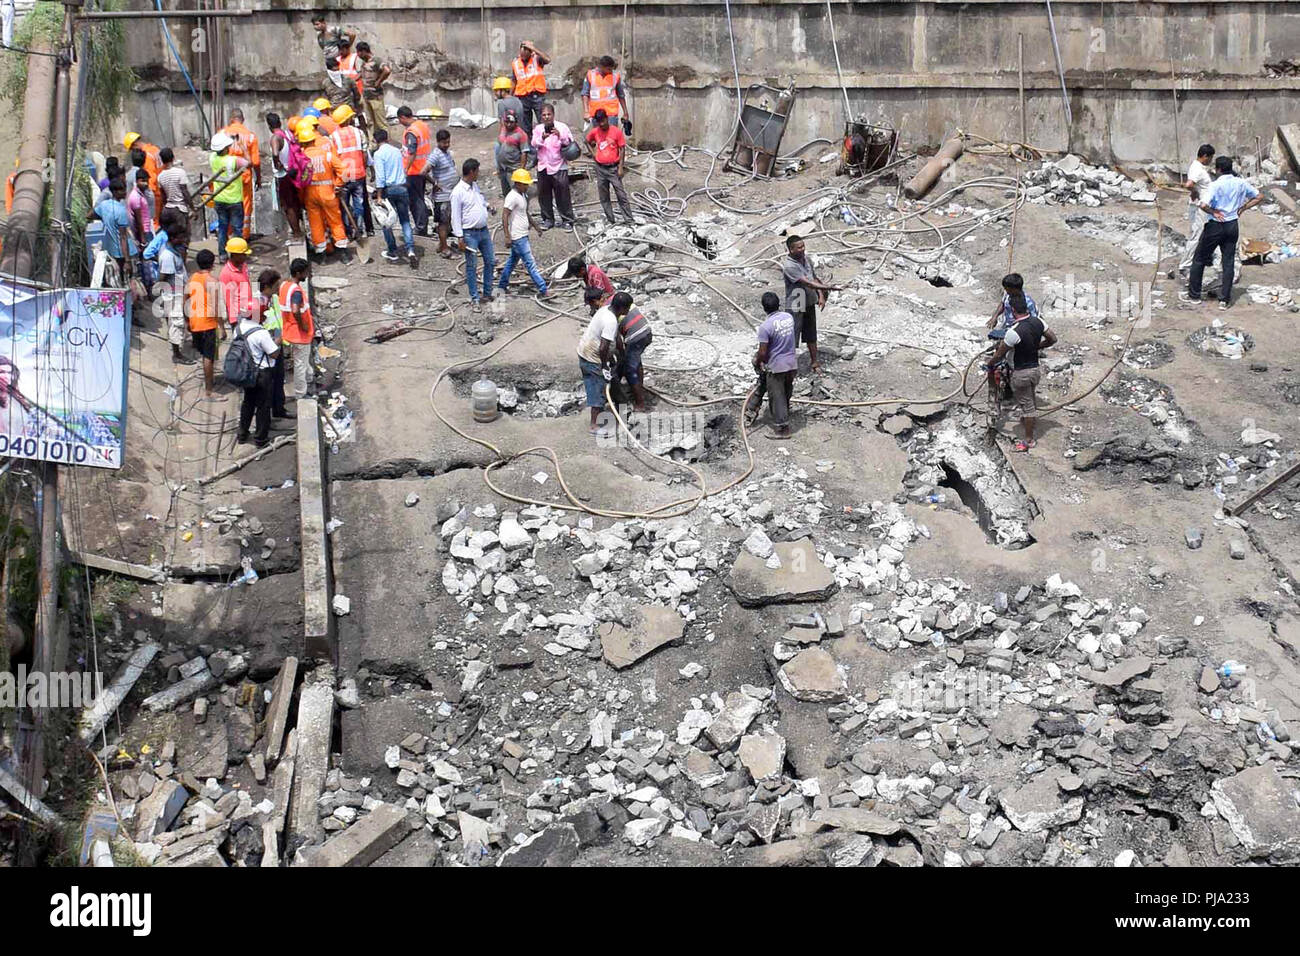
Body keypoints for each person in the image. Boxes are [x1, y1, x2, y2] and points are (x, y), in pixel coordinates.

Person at [1185, 155, 1262, 310]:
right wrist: (1243, 208)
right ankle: (1224, 300)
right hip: (1232, 224)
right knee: (1228, 262)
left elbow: (1203, 205)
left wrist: (1214, 212)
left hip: (1216, 225)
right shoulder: (1240, 183)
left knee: (1199, 258)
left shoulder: (1215, 185)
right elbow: (1259, 196)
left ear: (1218, 169)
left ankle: (1194, 295)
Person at [988, 299, 1057, 452]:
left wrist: (990, 363)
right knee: (1029, 398)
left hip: (1021, 374)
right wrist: (1036, 346)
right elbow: (1053, 339)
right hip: (1035, 371)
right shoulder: (1039, 322)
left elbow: (1000, 355)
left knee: (1028, 407)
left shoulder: (1014, 332)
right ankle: (1028, 421)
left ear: (1013, 311)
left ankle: (1028, 441)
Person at [781, 234, 838, 373]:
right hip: (797, 301)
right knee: (793, 336)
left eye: (803, 246)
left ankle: (815, 363)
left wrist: (821, 295)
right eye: (799, 247)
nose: (802, 249)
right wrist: (829, 288)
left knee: (811, 333)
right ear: (791, 250)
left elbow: (814, 278)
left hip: (808, 300)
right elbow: (807, 282)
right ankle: (788, 368)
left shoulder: (807, 260)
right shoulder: (789, 266)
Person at [298, 123, 351, 261]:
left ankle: (321, 255)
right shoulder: (327, 155)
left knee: (316, 224)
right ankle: (343, 252)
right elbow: (345, 172)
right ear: (314, 140)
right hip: (329, 193)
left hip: (310, 195)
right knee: (335, 221)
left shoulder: (302, 158)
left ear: (302, 143)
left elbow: (300, 181)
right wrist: (339, 185)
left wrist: (302, 198)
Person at [751, 292, 798, 439]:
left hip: (777, 366)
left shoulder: (765, 327)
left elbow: (763, 352)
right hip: (791, 363)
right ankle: (785, 414)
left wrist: (758, 361)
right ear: (779, 304)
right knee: (786, 390)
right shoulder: (788, 318)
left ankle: (782, 429)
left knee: (776, 396)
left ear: (764, 308)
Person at [497, 169, 550, 298]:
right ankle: (543, 289)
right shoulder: (512, 197)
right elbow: (505, 215)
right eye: (525, 184)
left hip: (522, 234)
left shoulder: (522, 195)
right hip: (517, 237)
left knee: (511, 262)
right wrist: (507, 236)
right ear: (518, 183)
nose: (527, 186)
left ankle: (501, 286)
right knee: (530, 263)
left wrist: (535, 226)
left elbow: (524, 212)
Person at [451, 158, 495, 313]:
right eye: (477, 171)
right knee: (472, 266)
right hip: (469, 234)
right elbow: (455, 216)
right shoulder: (458, 192)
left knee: (490, 261)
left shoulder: (474, 186)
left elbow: (480, 200)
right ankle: (474, 298)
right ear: (471, 172)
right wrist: (459, 237)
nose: (479, 173)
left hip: (483, 231)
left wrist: (488, 207)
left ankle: (487, 293)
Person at [234, 302, 280, 448]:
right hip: (262, 373)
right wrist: (278, 341)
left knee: (248, 402)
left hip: (246, 372)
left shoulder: (238, 329)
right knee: (263, 406)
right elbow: (274, 354)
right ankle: (260, 438)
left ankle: (242, 434)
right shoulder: (261, 333)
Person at [577, 288, 621, 434]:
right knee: (597, 390)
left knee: (600, 385)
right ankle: (594, 426)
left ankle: (617, 404)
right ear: (622, 308)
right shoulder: (611, 321)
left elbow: (615, 339)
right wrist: (603, 366)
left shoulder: (606, 309)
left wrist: (616, 357)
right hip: (592, 357)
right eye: (627, 309)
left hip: (586, 351)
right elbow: (603, 347)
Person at [372, 128, 417, 268]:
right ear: (387, 138)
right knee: (405, 221)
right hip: (402, 187)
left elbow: (380, 177)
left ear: (375, 140)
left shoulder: (378, 154)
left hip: (389, 190)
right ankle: (410, 250)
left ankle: (392, 250)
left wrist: (379, 196)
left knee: (386, 221)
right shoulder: (396, 151)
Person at [1172, 144, 1216, 279]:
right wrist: (1195, 192)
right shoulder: (1197, 168)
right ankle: (1185, 265)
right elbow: (1189, 184)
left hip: (1203, 206)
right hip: (1199, 207)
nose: (1211, 160)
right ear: (1205, 156)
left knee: (1204, 233)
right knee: (1196, 236)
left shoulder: (1199, 167)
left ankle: (1204, 258)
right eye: (1211, 158)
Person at [585, 110, 635, 225]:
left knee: (621, 195)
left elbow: (622, 149)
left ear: (607, 119)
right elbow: (587, 141)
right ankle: (611, 220)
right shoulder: (595, 132)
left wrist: (621, 167)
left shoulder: (616, 132)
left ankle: (629, 220)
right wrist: (593, 154)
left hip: (613, 168)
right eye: (599, 122)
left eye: (603, 121)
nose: (602, 124)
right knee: (604, 196)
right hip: (600, 168)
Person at [531, 103, 576, 229]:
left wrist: (559, 136)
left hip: (559, 166)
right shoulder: (538, 129)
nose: (546, 117)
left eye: (548, 114)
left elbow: (570, 143)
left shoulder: (562, 127)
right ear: (541, 116)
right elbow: (534, 143)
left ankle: (567, 220)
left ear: (553, 115)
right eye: (544, 115)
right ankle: (548, 219)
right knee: (544, 195)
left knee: (562, 195)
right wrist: (542, 138)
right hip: (543, 166)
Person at [155, 214, 193, 365]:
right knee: (176, 324)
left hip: (178, 292)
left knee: (179, 321)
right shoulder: (167, 256)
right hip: (173, 294)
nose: (184, 240)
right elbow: (163, 278)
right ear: (173, 238)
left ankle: (178, 344)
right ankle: (177, 354)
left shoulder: (175, 250)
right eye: (181, 238)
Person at [186, 249, 222, 399]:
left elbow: (185, 298)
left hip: (195, 322)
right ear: (212, 263)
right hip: (207, 324)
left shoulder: (192, 278)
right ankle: (209, 391)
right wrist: (221, 325)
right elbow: (215, 306)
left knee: (204, 355)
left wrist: (187, 320)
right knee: (209, 357)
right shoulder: (212, 281)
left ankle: (209, 382)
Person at [330, 105, 370, 239]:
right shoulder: (359, 133)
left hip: (344, 176)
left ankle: (348, 231)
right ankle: (359, 229)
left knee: (344, 205)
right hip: (358, 174)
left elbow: (333, 159)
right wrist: (363, 167)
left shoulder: (333, 137)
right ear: (348, 119)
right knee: (359, 204)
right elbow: (364, 154)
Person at [279, 258, 316, 399]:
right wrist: (303, 325)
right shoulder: (296, 292)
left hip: (289, 331)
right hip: (299, 335)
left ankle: (310, 378)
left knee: (302, 361)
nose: (307, 275)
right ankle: (301, 393)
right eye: (305, 272)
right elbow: (295, 310)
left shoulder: (284, 286)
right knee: (300, 364)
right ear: (299, 273)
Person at [208, 132, 249, 259]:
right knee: (237, 229)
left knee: (223, 227)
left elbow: (216, 150)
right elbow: (249, 162)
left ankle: (222, 254)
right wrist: (242, 147)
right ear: (226, 148)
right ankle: (237, 254)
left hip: (219, 198)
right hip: (234, 200)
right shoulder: (233, 161)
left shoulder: (212, 158)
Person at [221, 109, 261, 239]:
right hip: (244, 177)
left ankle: (229, 234)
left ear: (231, 119)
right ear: (242, 119)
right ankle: (243, 235)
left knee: (227, 204)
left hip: (227, 176)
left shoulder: (223, 134)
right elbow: (255, 162)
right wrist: (258, 178)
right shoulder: (250, 136)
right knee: (245, 205)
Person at [256, 268, 289, 418]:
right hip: (265, 350)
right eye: (276, 286)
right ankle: (266, 416)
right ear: (267, 287)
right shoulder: (256, 304)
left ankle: (279, 408)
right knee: (266, 385)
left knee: (279, 378)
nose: (278, 288)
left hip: (277, 345)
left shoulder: (274, 299)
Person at [267, 113, 304, 239]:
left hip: (284, 176)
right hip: (294, 172)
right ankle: (300, 229)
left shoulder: (275, 138)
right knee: (295, 202)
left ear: (269, 126)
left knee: (288, 207)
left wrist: (279, 165)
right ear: (280, 123)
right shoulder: (288, 134)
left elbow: (275, 153)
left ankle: (297, 233)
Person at [397, 105, 432, 236]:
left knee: (416, 201)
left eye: (400, 120)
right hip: (424, 168)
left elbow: (411, 152)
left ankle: (420, 227)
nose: (400, 123)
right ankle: (422, 224)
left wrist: (405, 169)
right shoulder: (422, 125)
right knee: (420, 198)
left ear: (403, 117)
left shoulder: (412, 132)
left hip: (414, 170)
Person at [613, 293, 652, 412]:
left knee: (630, 370)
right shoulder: (622, 300)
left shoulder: (612, 312)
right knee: (635, 362)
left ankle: (640, 403)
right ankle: (639, 388)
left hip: (635, 337)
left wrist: (621, 356)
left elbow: (618, 340)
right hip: (646, 332)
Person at [424, 129, 459, 258]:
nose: (447, 144)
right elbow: (423, 171)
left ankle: (442, 244)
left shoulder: (447, 153)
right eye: (444, 142)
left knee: (448, 221)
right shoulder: (436, 155)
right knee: (443, 223)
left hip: (450, 194)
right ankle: (444, 249)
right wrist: (434, 183)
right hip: (442, 196)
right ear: (438, 142)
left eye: (448, 142)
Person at [91, 178, 136, 279]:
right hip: (125, 253)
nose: (125, 192)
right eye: (122, 190)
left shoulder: (104, 205)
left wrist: (105, 217)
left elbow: (89, 215)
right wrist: (127, 261)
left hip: (112, 252)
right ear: (114, 192)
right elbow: (123, 237)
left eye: (124, 189)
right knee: (130, 281)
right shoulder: (121, 211)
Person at [582, 56, 631, 135]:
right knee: (599, 139)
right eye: (608, 69)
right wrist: (586, 111)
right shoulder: (591, 75)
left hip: (611, 114)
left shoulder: (615, 76)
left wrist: (625, 113)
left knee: (612, 138)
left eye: (611, 69)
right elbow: (585, 94)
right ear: (601, 67)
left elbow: (621, 95)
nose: (610, 71)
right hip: (596, 114)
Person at [510, 41, 550, 137]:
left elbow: (548, 60)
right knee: (525, 126)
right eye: (522, 52)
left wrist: (535, 50)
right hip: (522, 97)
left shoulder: (537, 59)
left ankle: (545, 146)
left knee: (543, 122)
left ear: (530, 51)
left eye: (526, 51)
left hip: (537, 96)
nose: (523, 54)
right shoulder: (515, 63)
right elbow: (514, 80)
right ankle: (529, 147)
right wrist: (510, 96)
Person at [123, 132, 163, 218]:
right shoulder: (154, 149)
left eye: (132, 149)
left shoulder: (146, 156)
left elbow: (151, 176)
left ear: (134, 144)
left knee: (154, 221)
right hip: (161, 186)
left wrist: (148, 193)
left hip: (155, 192)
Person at [155, 147, 192, 236]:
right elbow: (184, 192)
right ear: (173, 158)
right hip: (179, 209)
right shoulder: (180, 172)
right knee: (183, 236)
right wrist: (192, 208)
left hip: (167, 209)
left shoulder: (160, 176)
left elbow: (163, 196)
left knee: (172, 237)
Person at [219, 237, 253, 334]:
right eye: (243, 254)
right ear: (235, 255)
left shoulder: (243, 265)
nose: (245, 256)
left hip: (249, 309)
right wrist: (234, 320)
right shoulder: (226, 274)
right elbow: (229, 299)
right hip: (239, 315)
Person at [356, 42, 390, 134]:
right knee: (370, 122)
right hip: (366, 96)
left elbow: (387, 70)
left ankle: (386, 142)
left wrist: (378, 81)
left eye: (359, 53)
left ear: (363, 51)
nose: (358, 55)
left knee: (380, 122)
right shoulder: (364, 63)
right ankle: (373, 143)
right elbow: (361, 74)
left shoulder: (376, 60)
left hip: (375, 96)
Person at [495, 109, 530, 198]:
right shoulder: (503, 130)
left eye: (511, 122)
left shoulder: (521, 134)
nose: (509, 124)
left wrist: (521, 171)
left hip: (514, 169)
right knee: (507, 195)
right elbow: (499, 145)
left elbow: (524, 153)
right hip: (503, 168)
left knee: (517, 195)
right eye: (507, 122)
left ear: (516, 122)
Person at [126, 168, 155, 250]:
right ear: (137, 181)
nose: (146, 184)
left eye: (147, 181)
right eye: (143, 181)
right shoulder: (135, 197)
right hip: (144, 232)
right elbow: (139, 220)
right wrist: (143, 240)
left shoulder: (141, 193)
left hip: (147, 229)